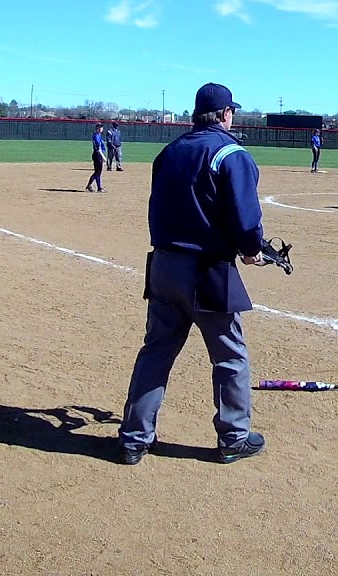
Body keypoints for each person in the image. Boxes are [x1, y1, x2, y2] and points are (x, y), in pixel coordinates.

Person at [117, 82, 266, 465]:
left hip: (163, 264)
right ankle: (233, 437)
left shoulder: (169, 152)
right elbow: (246, 221)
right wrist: (251, 251)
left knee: (157, 351)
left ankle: (134, 438)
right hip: (206, 270)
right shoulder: (232, 154)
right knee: (230, 356)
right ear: (226, 114)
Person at [85, 122, 106, 192]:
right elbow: (98, 148)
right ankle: (99, 188)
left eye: (101, 127)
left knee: (97, 172)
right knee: (98, 172)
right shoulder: (96, 136)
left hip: (99, 155)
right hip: (97, 155)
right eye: (99, 127)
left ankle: (89, 185)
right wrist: (103, 157)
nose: (101, 129)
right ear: (96, 129)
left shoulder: (99, 135)